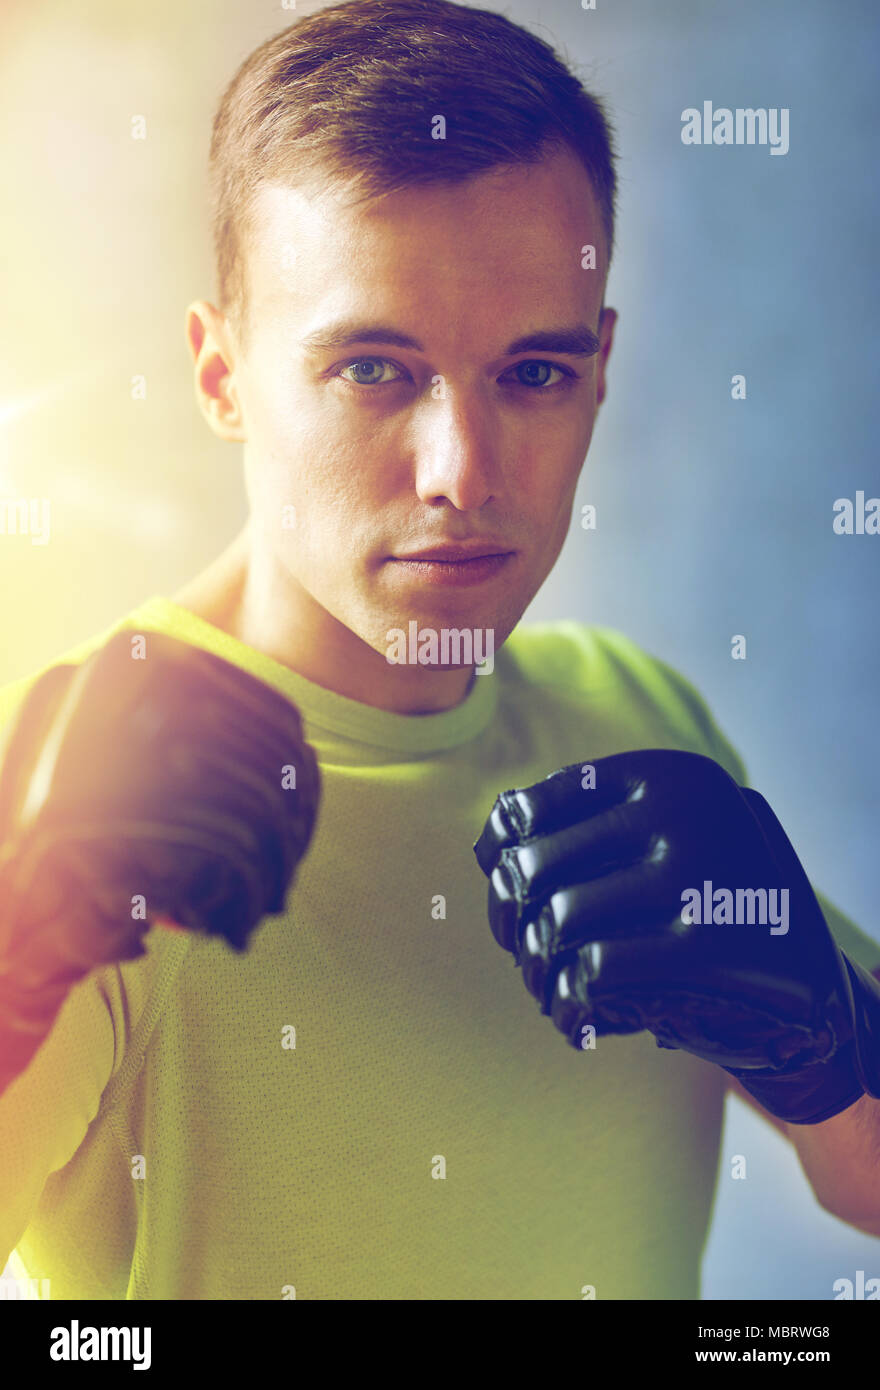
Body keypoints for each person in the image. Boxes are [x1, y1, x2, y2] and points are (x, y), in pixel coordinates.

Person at [1, 0, 878, 1301]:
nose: (462, 474)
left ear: (602, 370)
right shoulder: (73, 767)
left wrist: (831, 1031)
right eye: (372, 368)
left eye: (532, 372)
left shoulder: (637, 717)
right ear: (221, 371)